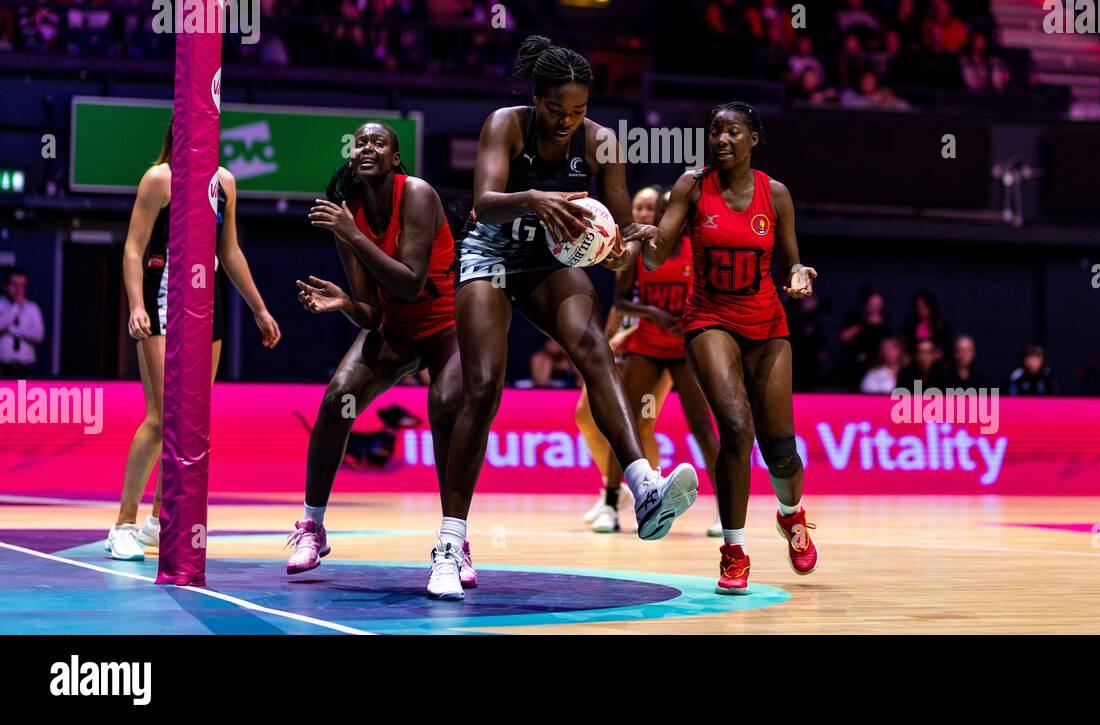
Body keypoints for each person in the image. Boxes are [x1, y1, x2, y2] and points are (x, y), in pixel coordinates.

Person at [437, 37, 699, 599]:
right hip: (492, 253)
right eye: (557, 109)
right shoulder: (505, 124)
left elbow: (623, 230)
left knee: (595, 351)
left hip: (548, 262)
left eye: (577, 111)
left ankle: (643, 487)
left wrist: (627, 245)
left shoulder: (602, 142)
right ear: (537, 98)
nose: (566, 120)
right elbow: (483, 201)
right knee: (482, 387)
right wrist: (534, 197)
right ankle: (450, 542)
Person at [287, 122, 470, 583]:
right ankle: (313, 525)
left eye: (379, 142)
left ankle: (454, 542)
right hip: (397, 331)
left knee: (447, 407)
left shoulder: (419, 194)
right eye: (360, 143)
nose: (368, 147)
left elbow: (410, 282)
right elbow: (372, 312)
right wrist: (345, 304)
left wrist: (354, 236)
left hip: (448, 325)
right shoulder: (347, 217)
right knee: (337, 399)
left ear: (394, 158)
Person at [647, 102, 819, 594]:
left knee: (781, 450)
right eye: (715, 132)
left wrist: (798, 275)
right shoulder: (690, 185)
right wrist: (642, 238)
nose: (721, 140)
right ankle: (734, 550)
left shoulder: (776, 193)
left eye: (732, 132)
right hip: (709, 319)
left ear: (753, 139)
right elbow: (660, 249)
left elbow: (790, 261)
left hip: (767, 323)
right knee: (737, 430)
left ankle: (791, 515)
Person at [111, 119, 281, 560]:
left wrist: (259, 308)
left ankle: (156, 520)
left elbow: (230, 251)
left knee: (192, 423)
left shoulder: (225, 182)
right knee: (163, 415)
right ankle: (123, 524)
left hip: (208, 306)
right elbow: (132, 247)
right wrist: (135, 305)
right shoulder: (158, 178)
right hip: (161, 298)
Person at [593, 185, 724, 535]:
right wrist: (652, 313)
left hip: (685, 349)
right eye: (668, 213)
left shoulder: (698, 252)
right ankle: (609, 503)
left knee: (702, 427)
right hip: (647, 346)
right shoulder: (641, 251)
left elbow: (714, 297)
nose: (674, 219)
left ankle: (725, 509)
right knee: (627, 423)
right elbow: (621, 301)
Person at [574, 184, 670, 529]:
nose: (642, 214)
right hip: (622, 349)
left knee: (643, 423)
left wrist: (635, 333)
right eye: (638, 207)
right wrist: (609, 340)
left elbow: (668, 305)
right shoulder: (626, 251)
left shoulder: (664, 252)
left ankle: (654, 495)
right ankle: (614, 486)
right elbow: (619, 306)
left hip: (656, 350)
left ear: (661, 213)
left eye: (648, 208)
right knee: (585, 415)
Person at [0, 268, 44, 376]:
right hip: (2, 367)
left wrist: (12, 329)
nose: (18, 289)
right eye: (14, 284)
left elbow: (38, 335)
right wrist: (15, 308)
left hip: (27, 368)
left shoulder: (32, 308)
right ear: (6, 285)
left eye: (22, 285)